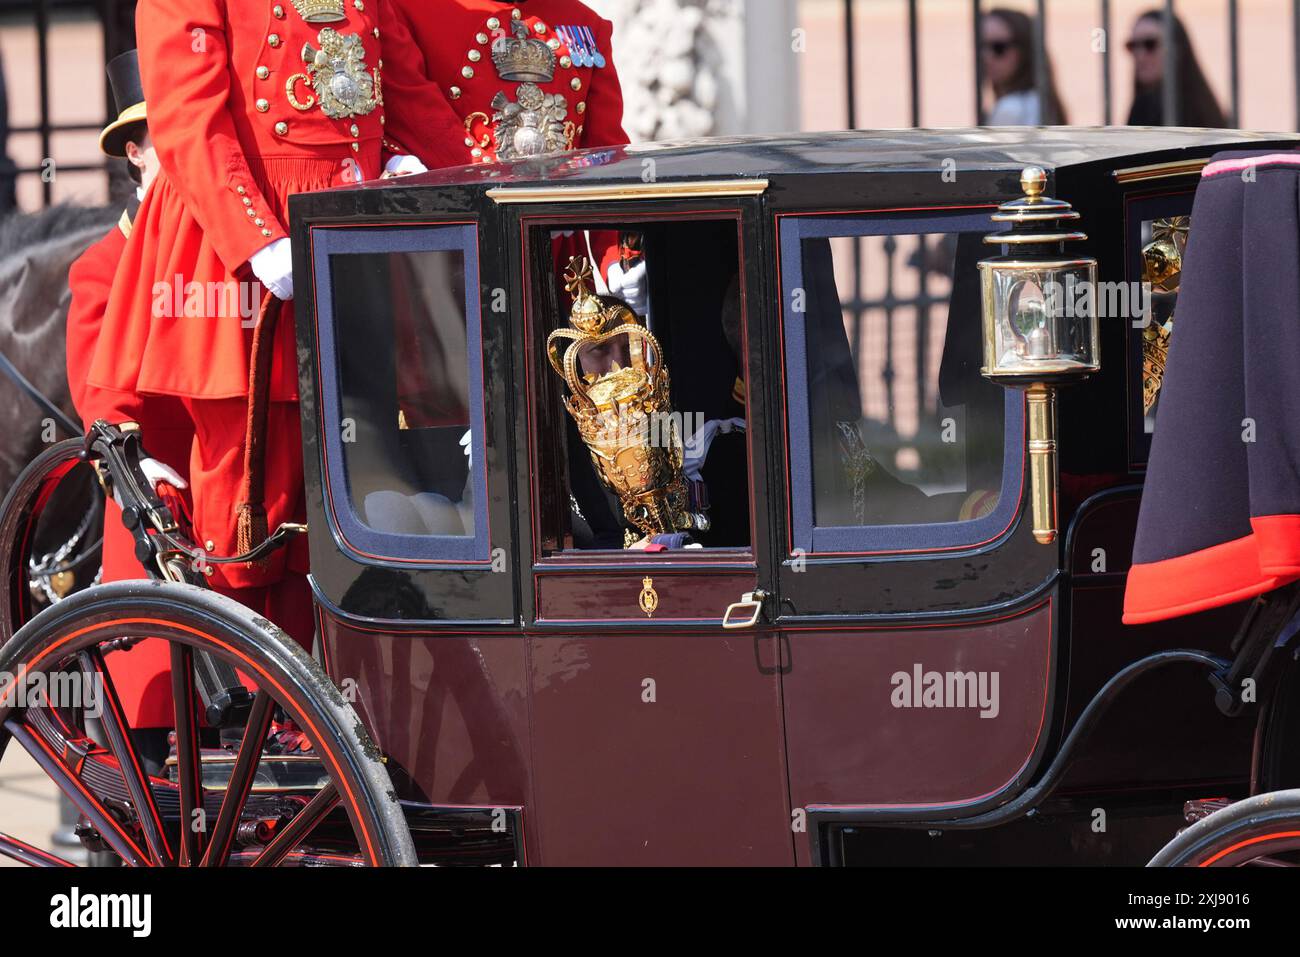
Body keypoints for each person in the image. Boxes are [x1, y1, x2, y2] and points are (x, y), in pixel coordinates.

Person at [83, 0, 471, 684]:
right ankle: (258, 701)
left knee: (363, 475)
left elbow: (405, 89)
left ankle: (354, 689)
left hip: (354, 244)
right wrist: (255, 235)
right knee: (254, 494)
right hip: (243, 243)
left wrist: (451, 176)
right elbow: (187, 114)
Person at [67, 50, 196, 733]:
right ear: (136, 153)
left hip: (237, 504)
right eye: (162, 138)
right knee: (153, 717)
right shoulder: (101, 268)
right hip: (155, 515)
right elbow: (99, 399)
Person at [1126, 9, 1227, 128]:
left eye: (1150, 44)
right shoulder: (1144, 105)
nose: (1140, 55)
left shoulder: (1192, 111)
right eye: (1133, 46)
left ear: (1176, 49)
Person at [981, 8, 1067, 126]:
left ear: (1025, 50)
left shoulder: (1011, 108)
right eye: (981, 46)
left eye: (998, 48)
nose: (986, 56)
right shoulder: (1040, 102)